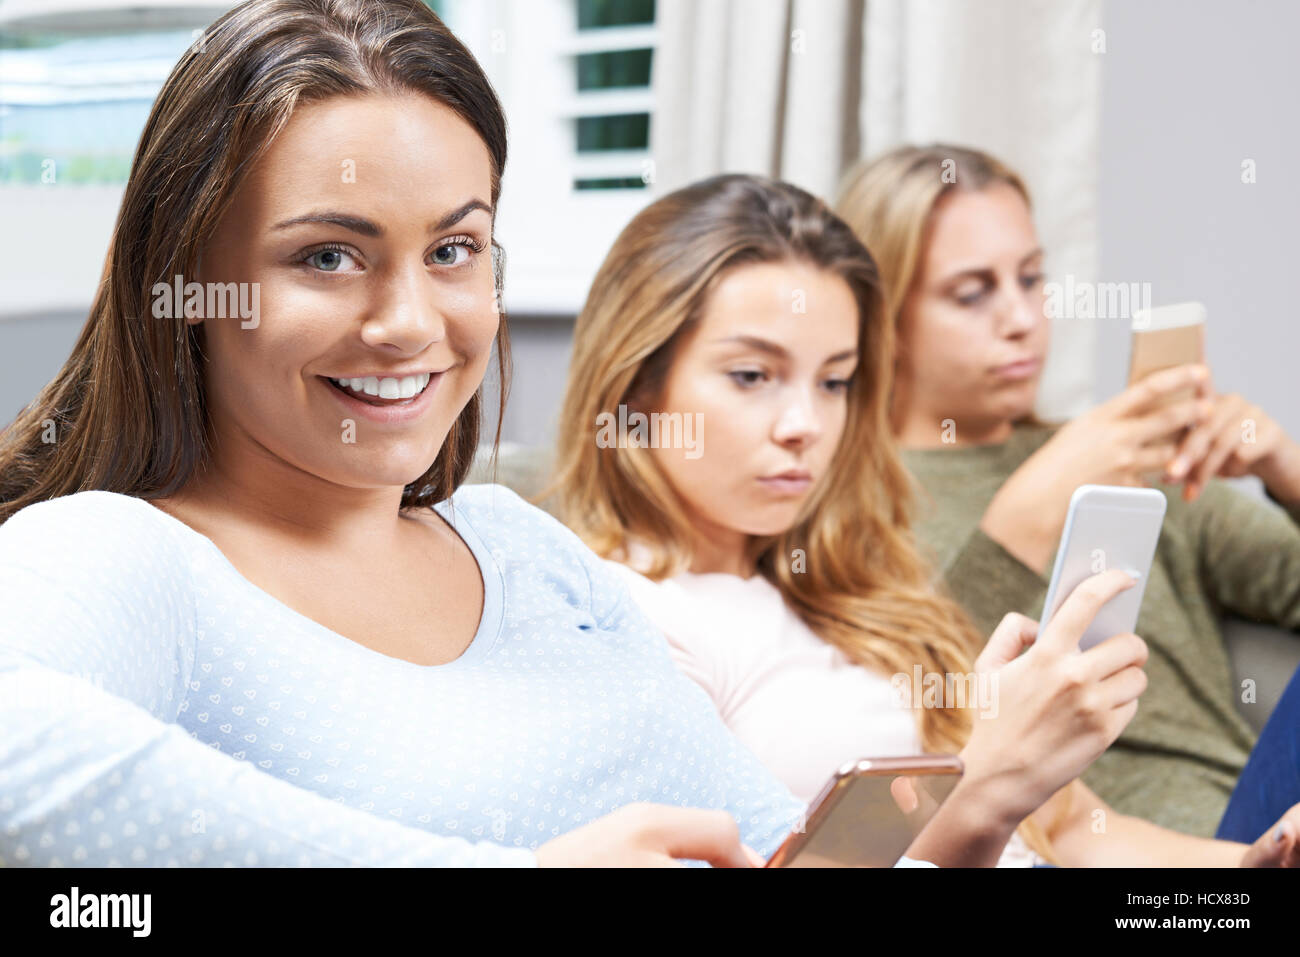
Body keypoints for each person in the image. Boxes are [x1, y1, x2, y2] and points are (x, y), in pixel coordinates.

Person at [2, 0, 861, 870]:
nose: (409, 324)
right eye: (329, 256)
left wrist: (975, 819)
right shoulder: (120, 554)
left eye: (453, 248)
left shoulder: (523, 547)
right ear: (185, 282)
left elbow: (769, 833)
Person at [547, 171, 1300, 865]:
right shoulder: (627, 615)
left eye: (836, 380)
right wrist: (991, 786)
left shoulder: (862, 582)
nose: (806, 422)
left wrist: (1247, 867)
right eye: (753, 376)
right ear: (636, 388)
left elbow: (1070, 828)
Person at [833, 143, 1300, 838]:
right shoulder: (850, 506)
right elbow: (930, 715)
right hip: (1154, 855)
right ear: (883, 316)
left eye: (1031, 278)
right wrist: (1024, 517)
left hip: (1262, 821)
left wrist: (1283, 466)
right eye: (973, 292)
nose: (1021, 317)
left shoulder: (1124, 451)